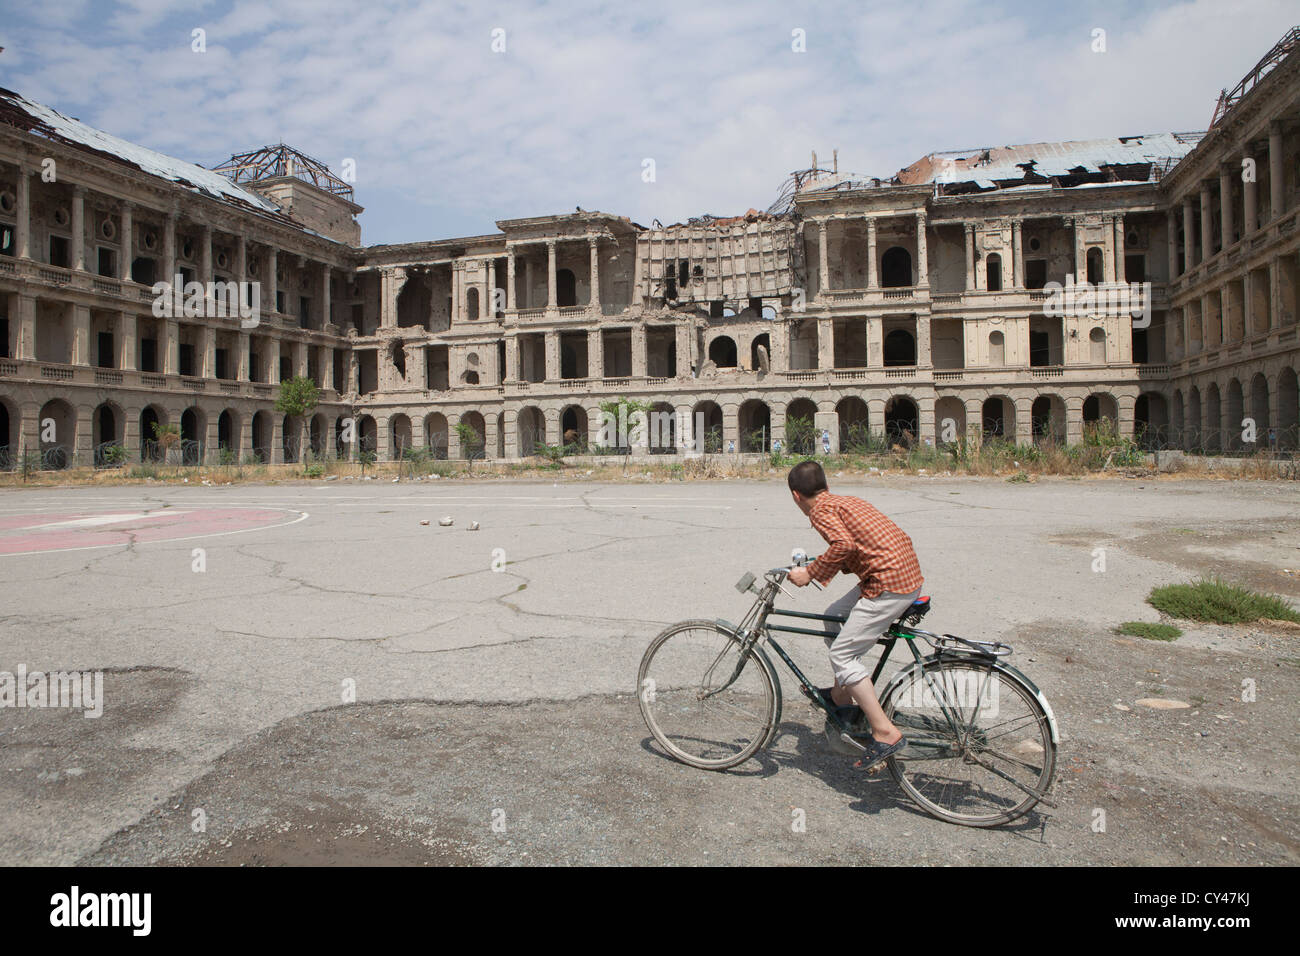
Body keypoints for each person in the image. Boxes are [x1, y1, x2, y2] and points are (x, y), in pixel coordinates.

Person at [785, 460, 924, 768]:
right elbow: (857, 544)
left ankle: (884, 731)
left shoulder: (819, 511)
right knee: (833, 616)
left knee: (843, 656)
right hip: (902, 573)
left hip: (888, 583)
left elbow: (844, 543)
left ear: (796, 496)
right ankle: (841, 697)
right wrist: (819, 562)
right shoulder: (844, 501)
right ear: (825, 486)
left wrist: (810, 573)